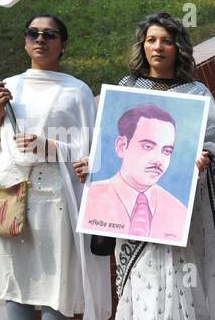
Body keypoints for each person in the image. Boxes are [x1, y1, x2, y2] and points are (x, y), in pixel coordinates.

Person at [75, 11, 215, 320]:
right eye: (151, 40)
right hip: (128, 222)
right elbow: (109, 144)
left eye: (166, 41)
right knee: (140, 286)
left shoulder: (196, 94)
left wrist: (205, 159)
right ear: (143, 46)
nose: (158, 47)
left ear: (178, 48)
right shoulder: (126, 88)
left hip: (175, 214)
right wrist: (94, 165)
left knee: (176, 285)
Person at [0, 13, 111, 320]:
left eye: (50, 35)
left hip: (54, 196)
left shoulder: (76, 91)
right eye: (33, 33)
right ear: (24, 41)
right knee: (14, 278)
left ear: (63, 44)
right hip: (12, 193)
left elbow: (89, 151)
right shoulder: (8, 87)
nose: (41, 40)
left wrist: (53, 147)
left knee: (54, 277)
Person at [81, 103, 190, 241]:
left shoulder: (179, 213)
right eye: (147, 146)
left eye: (167, 151)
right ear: (122, 146)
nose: (158, 160)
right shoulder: (90, 199)